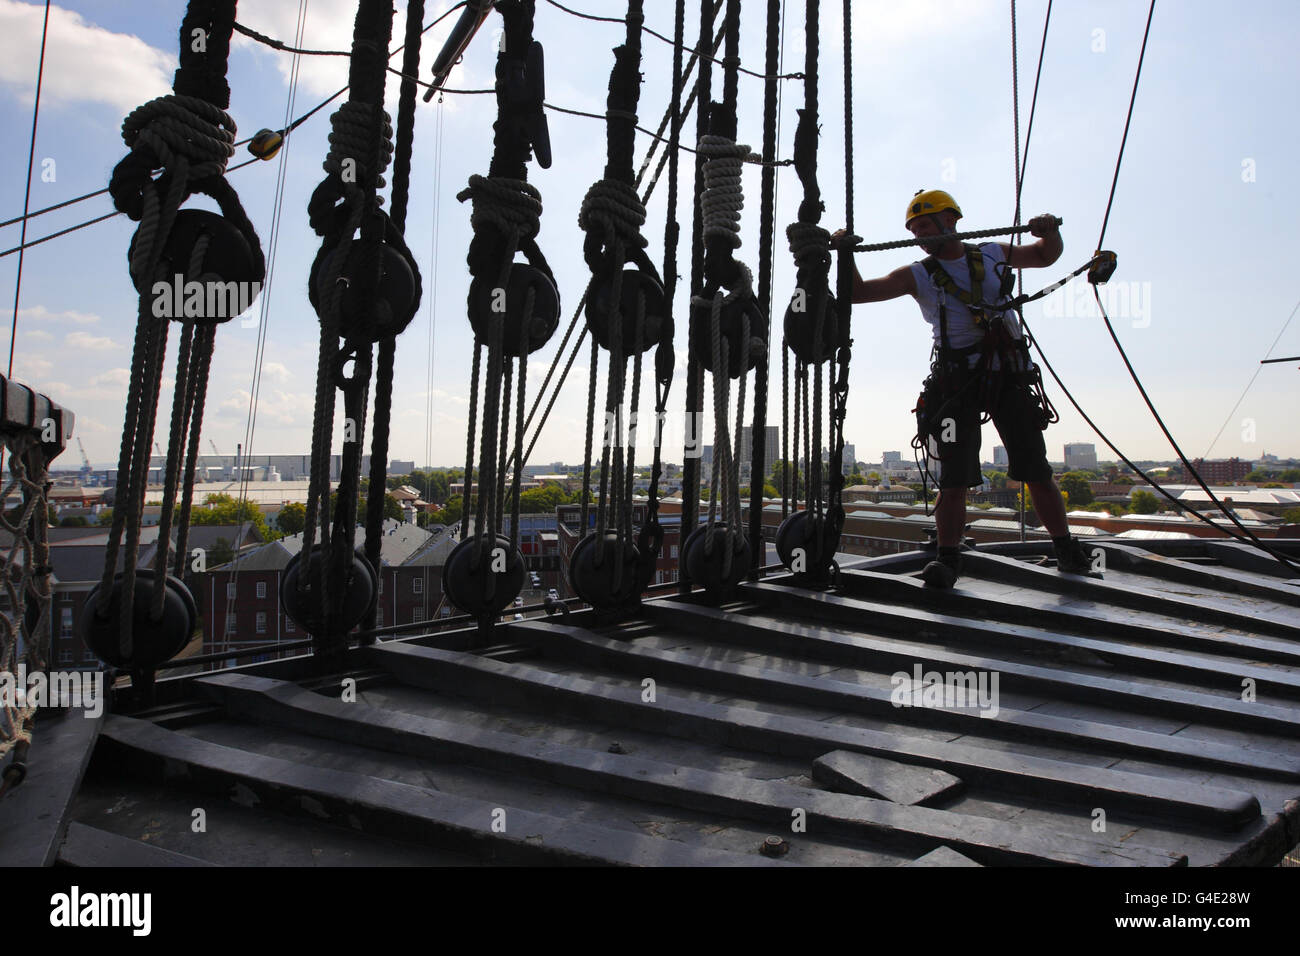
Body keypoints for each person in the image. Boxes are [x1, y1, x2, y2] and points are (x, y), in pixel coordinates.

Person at [839, 189, 1096, 587]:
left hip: (1006, 376)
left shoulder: (993, 253)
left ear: (951, 220)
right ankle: (948, 557)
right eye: (914, 228)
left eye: (925, 224)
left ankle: (1065, 548)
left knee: (1036, 469)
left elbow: (1045, 255)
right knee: (954, 477)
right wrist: (844, 254)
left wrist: (1049, 233)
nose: (920, 233)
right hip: (957, 383)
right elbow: (858, 293)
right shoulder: (918, 274)